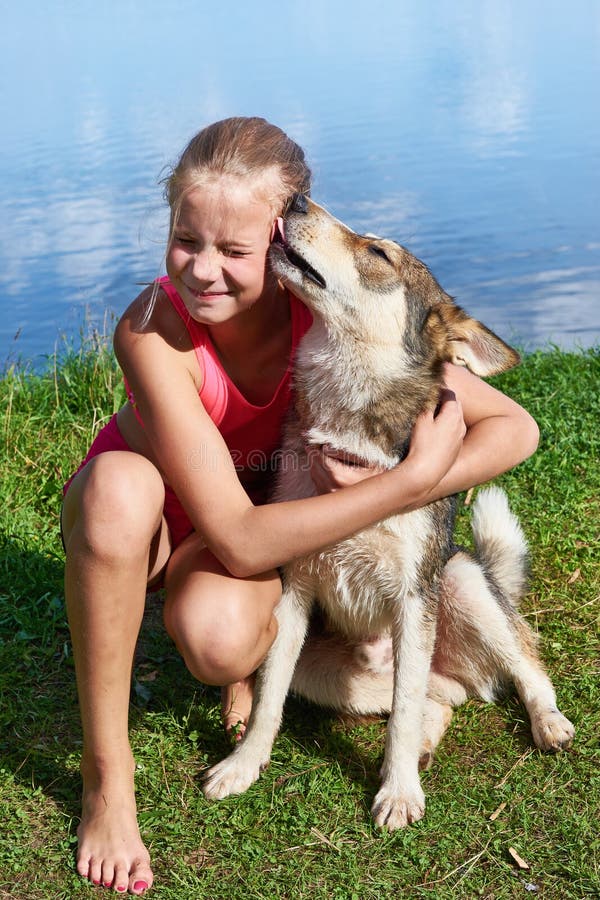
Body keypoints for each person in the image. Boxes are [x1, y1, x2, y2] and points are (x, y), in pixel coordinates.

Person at [61, 116, 539, 895]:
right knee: (121, 488)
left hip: (246, 529)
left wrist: (440, 462)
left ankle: (237, 670)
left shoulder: (325, 311)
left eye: (236, 250)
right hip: (165, 525)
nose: (204, 271)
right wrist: (408, 484)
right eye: (187, 240)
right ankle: (106, 778)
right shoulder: (151, 331)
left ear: (282, 237)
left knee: (219, 644)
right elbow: (247, 543)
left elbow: (515, 428)